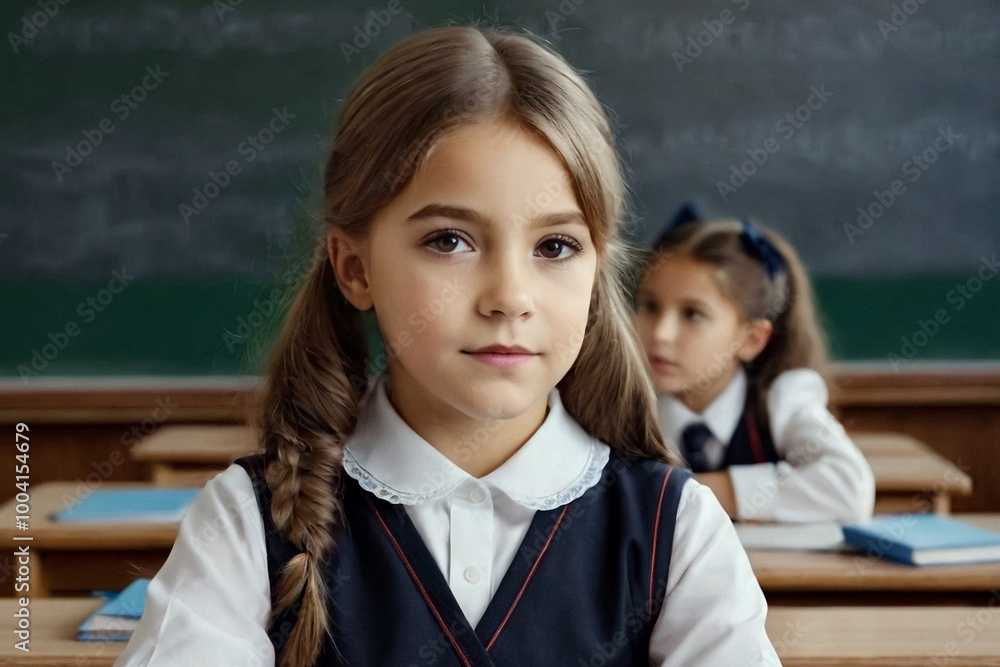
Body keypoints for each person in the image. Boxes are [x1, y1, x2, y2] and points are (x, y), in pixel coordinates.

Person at [116, 27, 780, 666]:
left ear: (596, 271)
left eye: (555, 247)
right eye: (449, 241)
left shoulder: (676, 528)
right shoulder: (245, 522)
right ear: (356, 268)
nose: (509, 296)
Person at [634, 204, 875, 524]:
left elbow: (850, 489)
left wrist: (690, 493)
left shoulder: (780, 400)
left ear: (751, 340)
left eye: (692, 314)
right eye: (650, 306)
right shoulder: (624, 404)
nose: (660, 333)